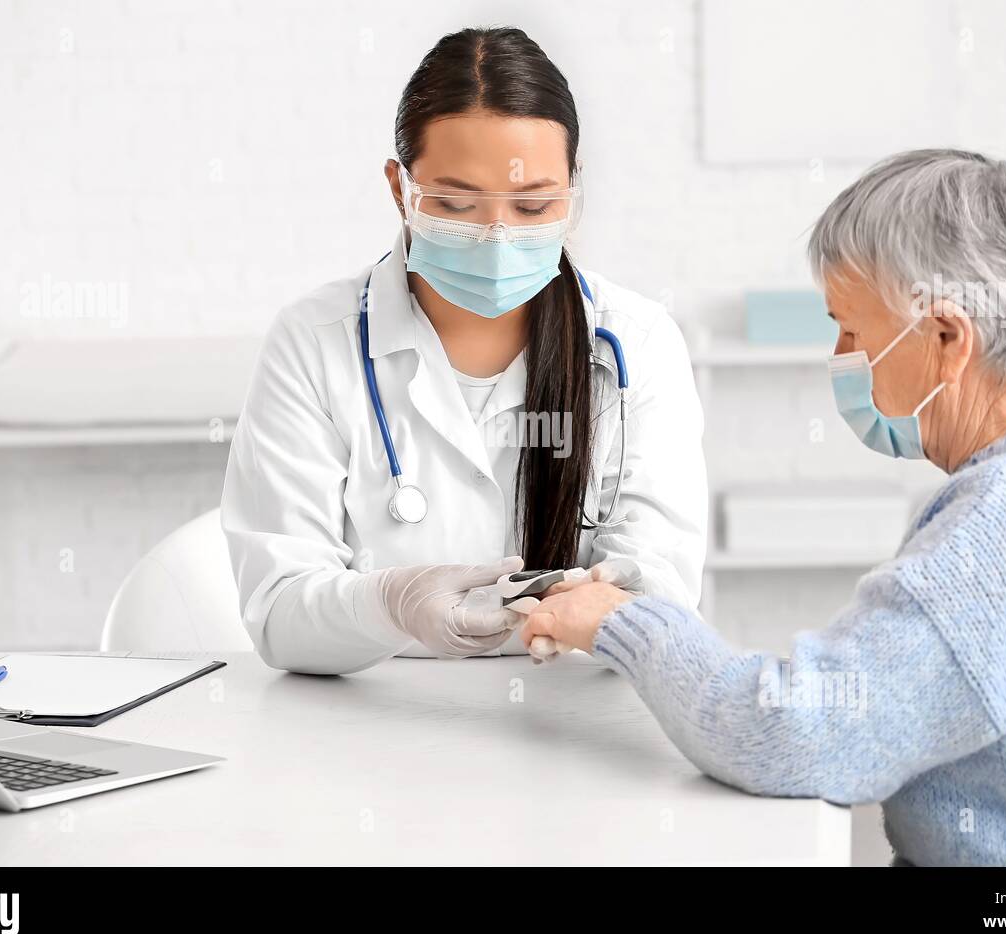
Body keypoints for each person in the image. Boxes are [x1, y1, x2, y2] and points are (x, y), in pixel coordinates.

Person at [522, 149, 1006, 866]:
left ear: (948, 338)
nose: (841, 354)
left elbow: (790, 734)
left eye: (852, 330)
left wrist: (619, 619)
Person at [222, 27, 707, 675]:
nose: (498, 236)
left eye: (534, 204)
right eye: (456, 203)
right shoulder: (314, 341)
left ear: (573, 187)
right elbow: (279, 615)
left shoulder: (637, 344)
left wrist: (622, 598)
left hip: (574, 715)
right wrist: (389, 604)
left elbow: (666, 589)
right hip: (372, 725)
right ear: (400, 189)